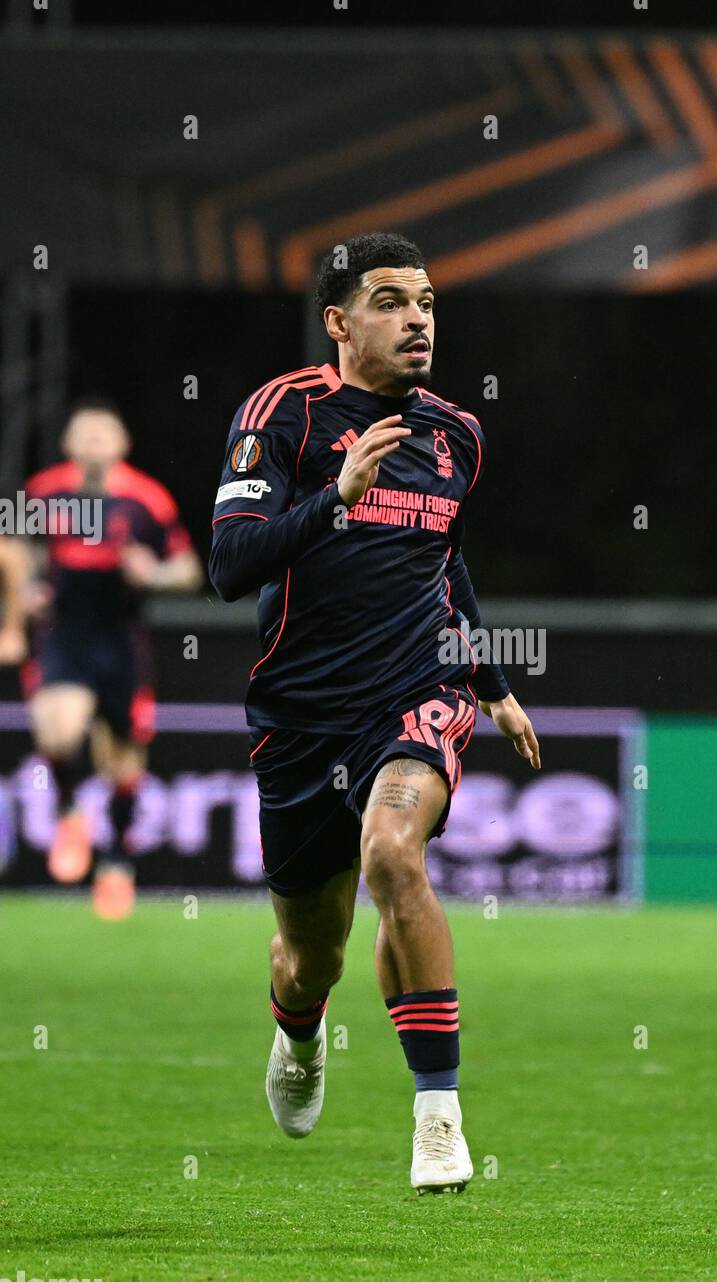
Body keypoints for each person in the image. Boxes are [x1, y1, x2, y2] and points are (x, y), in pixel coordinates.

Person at [209, 231, 540, 1193]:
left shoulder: (456, 435)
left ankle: (437, 1118)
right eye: (392, 301)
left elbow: (449, 564)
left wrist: (489, 685)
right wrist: (337, 497)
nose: (418, 319)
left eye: (428, 302)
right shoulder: (285, 415)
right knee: (312, 957)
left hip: (413, 696)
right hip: (300, 713)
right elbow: (231, 567)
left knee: (396, 853)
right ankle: (300, 1033)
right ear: (340, 321)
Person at [0, 399, 201, 918]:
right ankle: (69, 811)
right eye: (83, 433)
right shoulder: (45, 491)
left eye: (102, 434)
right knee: (59, 733)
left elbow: (186, 570)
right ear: (68, 442)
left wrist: (151, 574)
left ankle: (116, 863)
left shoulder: (145, 499)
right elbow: (12, 550)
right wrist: (22, 599)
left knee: (123, 759)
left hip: (120, 638)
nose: (92, 442)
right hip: (64, 634)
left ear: (122, 443)